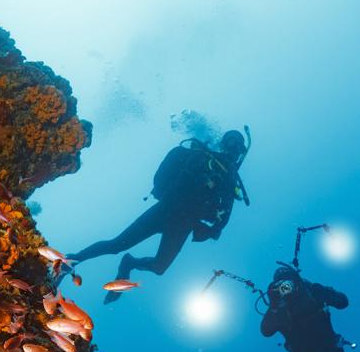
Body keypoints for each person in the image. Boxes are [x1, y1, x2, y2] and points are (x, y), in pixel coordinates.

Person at [65, 130, 250, 303]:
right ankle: (72, 260)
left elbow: (224, 216)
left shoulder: (231, 180)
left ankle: (129, 263)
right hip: (166, 210)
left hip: (183, 224)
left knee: (160, 267)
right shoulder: (202, 157)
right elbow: (172, 180)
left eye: (237, 148)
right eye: (231, 145)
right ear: (223, 145)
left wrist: (210, 229)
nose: (233, 151)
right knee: (116, 245)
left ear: (241, 151)